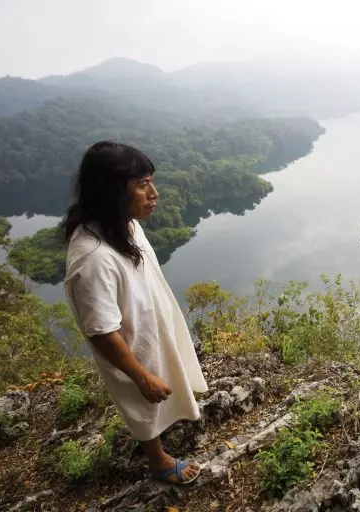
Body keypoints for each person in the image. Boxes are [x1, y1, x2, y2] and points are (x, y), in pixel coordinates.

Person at [62, 141, 208, 484]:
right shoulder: (93, 258)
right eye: (143, 185)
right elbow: (100, 331)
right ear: (113, 191)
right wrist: (140, 375)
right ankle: (157, 461)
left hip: (150, 325)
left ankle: (165, 425)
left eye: (151, 182)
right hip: (130, 344)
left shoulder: (123, 226)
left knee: (164, 382)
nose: (154, 193)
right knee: (140, 400)